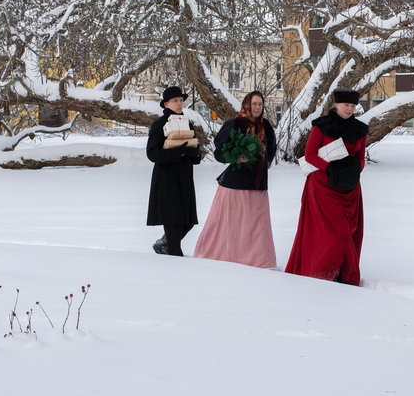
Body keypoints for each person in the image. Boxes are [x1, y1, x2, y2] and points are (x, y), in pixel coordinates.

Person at [285, 88, 369, 285]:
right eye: (346, 105)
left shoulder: (360, 129)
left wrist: (352, 169)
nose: (349, 109)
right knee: (326, 234)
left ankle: (343, 272)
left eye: (353, 106)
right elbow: (310, 155)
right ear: (336, 104)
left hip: (349, 189)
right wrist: (330, 168)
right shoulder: (322, 126)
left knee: (346, 233)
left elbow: (361, 159)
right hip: (322, 187)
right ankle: (321, 270)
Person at [193, 91, 278, 268]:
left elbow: (272, 148)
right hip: (234, 185)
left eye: (260, 104)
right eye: (254, 104)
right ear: (247, 105)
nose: (257, 107)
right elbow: (219, 152)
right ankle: (221, 256)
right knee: (229, 224)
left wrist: (268, 161)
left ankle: (258, 260)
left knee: (256, 226)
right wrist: (235, 157)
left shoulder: (266, 127)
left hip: (257, 184)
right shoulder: (235, 124)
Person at [146, 86, 203, 256]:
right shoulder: (159, 124)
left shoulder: (187, 123)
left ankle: (164, 244)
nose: (179, 104)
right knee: (174, 223)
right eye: (175, 101)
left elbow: (195, 152)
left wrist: (195, 153)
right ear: (166, 104)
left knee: (188, 221)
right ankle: (174, 261)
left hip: (185, 180)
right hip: (167, 181)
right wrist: (179, 152)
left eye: (181, 100)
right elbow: (152, 153)